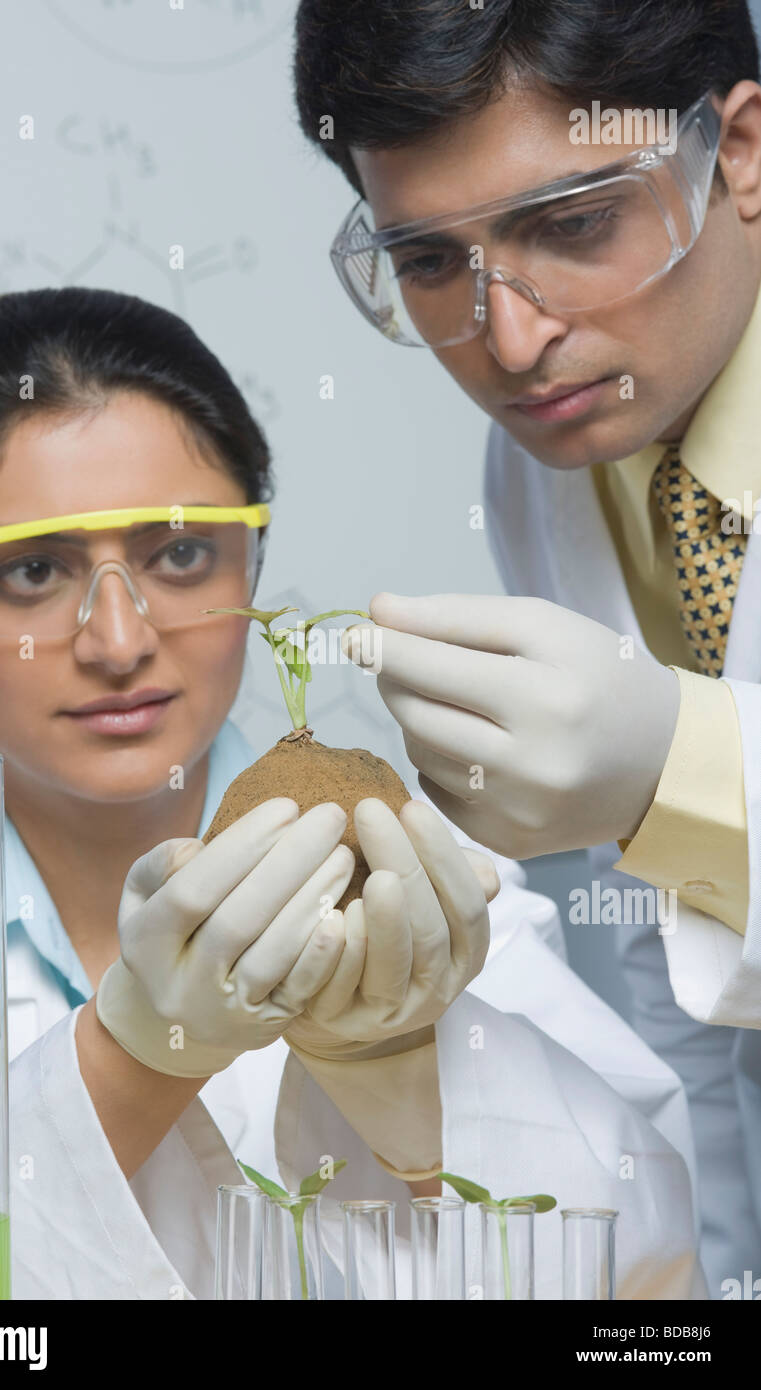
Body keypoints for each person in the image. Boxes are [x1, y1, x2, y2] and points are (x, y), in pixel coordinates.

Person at [0, 287, 703, 1298]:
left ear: (254, 554)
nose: (118, 640)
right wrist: (130, 1060)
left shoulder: (439, 892)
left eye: (182, 553)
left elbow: (645, 1283)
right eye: (31, 572)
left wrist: (403, 1062)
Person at [293, 0, 761, 1293]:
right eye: (433, 261)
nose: (508, 340)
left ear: (739, 154)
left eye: (571, 227)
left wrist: (681, 770)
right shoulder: (549, 462)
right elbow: (691, 994)